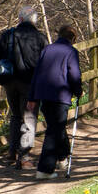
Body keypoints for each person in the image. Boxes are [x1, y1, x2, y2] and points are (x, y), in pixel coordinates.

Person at [27, 22, 83, 180]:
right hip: (60, 95)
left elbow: (36, 74)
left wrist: (32, 97)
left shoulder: (47, 49)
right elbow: (74, 75)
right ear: (72, 39)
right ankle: (44, 170)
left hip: (44, 95)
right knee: (53, 131)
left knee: (56, 127)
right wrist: (78, 91)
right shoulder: (71, 52)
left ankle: (63, 157)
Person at [0, 7, 48, 170]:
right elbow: (46, 61)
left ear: (20, 19)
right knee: (29, 117)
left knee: (16, 116)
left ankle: (12, 152)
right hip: (30, 83)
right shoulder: (40, 38)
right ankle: (24, 157)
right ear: (34, 21)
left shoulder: (7, 35)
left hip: (9, 81)